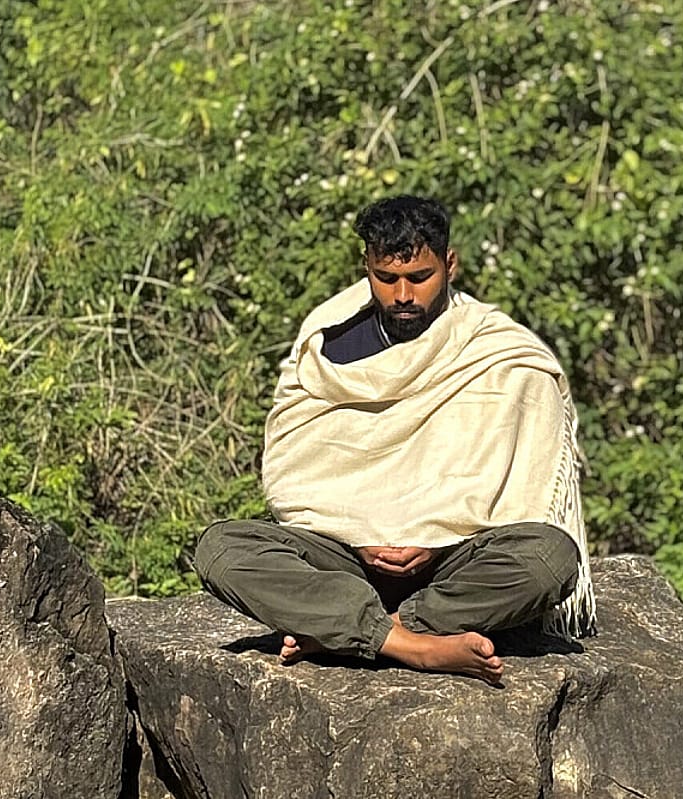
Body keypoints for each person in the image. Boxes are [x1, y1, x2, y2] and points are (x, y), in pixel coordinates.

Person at [194, 195, 596, 685]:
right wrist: (359, 536)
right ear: (366, 267)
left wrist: (435, 535)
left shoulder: (494, 348)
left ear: (450, 264)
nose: (403, 294)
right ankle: (417, 648)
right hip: (344, 560)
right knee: (220, 548)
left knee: (550, 556)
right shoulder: (328, 347)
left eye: (420, 278)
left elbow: (515, 490)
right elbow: (297, 470)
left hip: (454, 563)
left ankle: (364, 630)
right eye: (386, 279)